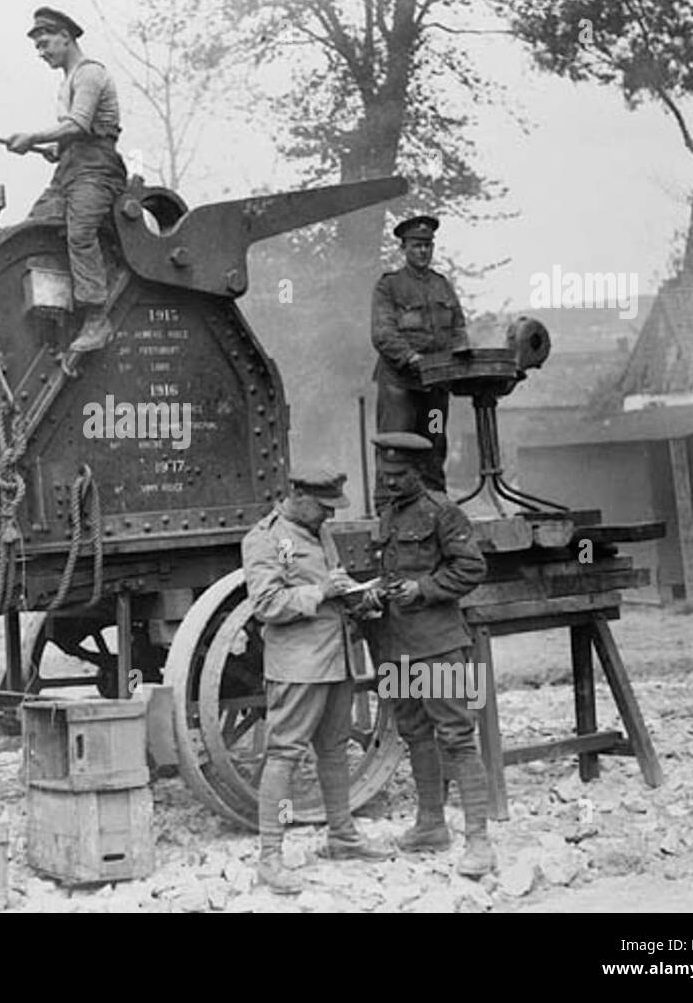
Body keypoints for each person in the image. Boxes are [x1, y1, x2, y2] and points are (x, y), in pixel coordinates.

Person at [241, 466, 395, 895]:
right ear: (298, 495)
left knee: (333, 748)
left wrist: (358, 595)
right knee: (284, 754)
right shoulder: (264, 538)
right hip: (298, 666)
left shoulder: (318, 531)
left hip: (336, 659)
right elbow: (267, 604)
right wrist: (323, 591)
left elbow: (328, 586)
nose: (329, 515)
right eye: (323, 507)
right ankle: (269, 858)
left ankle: (342, 837)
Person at [361, 432, 494, 879]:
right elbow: (390, 572)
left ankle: (479, 840)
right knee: (415, 732)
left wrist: (423, 589)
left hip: (436, 645)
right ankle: (431, 825)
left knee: (455, 735)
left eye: (399, 475)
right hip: (396, 647)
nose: (391, 481)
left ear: (419, 472)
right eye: (386, 473)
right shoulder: (388, 515)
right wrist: (377, 595)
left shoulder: (443, 513)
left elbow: (471, 568)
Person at [7, 7, 127, 354]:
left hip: (96, 169)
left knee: (81, 233)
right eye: (38, 47)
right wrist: (53, 150)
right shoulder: (67, 80)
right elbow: (71, 136)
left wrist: (33, 138)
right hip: (71, 168)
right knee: (35, 231)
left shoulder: (89, 74)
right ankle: (53, 316)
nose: (42, 53)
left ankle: (96, 318)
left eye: (45, 44)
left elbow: (79, 126)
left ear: (66, 37)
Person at [370, 215, 467, 506]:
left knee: (434, 440)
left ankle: (435, 502)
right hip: (399, 385)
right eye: (416, 245)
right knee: (395, 444)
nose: (423, 251)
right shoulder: (389, 286)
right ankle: (388, 506)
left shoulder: (442, 285)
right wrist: (412, 358)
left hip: (436, 387)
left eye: (427, 245)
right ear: (404, 248)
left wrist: (461, 352)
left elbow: (458, 328)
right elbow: (382, 333)